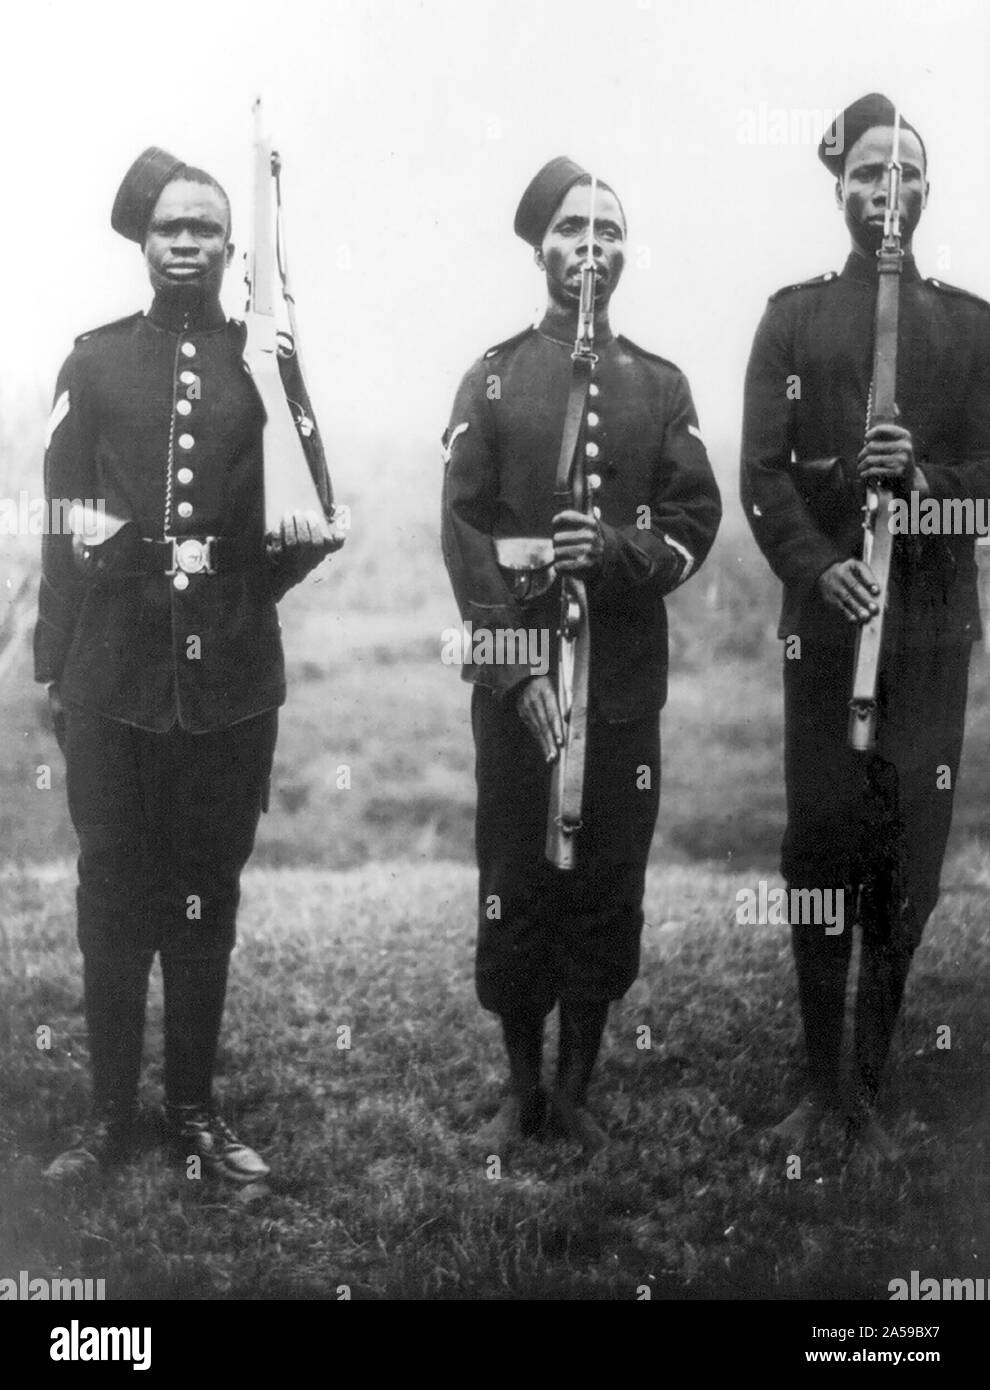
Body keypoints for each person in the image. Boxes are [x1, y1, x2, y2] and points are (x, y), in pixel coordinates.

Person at [37, 146, 342, 1184]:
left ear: (229, 246)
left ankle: (197, 1113)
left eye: (206, 228)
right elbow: (59, 516)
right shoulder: (94, 361)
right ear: (143, 239)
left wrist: (245, 582)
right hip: (110, 673)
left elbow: (314, 512)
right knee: (112, 889)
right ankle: (107, 1119)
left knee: (206, 889)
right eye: (170, 227)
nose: (186, 244)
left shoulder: (265, 360)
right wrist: (51, 662)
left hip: (229, 683)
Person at [442, 156, 721, 1153]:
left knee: (607, 876)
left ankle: (576, 1088)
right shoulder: (494, 374)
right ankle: (519, 1090)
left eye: (609, 232)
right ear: (540, 247)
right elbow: (464, 530)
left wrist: (618, 551)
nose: (591, 249)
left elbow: (696, 517)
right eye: (572, 230)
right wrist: (513, 666)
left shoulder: (660, 381)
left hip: (621, 693)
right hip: (519, 690)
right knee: (515, 874)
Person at [741, 94, 990, 1159]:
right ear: (838, 185)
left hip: (932, 629)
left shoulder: (973, 326)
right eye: (869, 173)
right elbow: (759, 476)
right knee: (824, 844)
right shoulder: (793, 317)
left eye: (909, 172)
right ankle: (819, 1076)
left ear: (929, 189)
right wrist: (824, 566)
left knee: (909, 853)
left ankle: (873, 1080)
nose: (889, 190)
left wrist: (926, 483)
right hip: (827, 626)